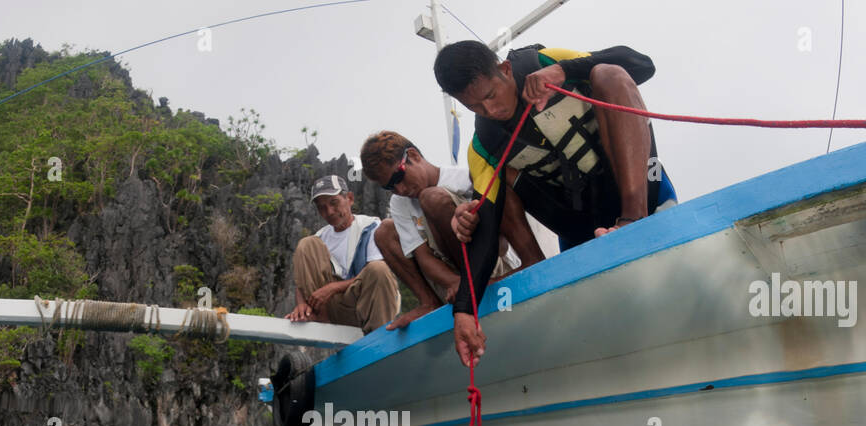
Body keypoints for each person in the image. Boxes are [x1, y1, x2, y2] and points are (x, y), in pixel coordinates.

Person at [433, 40, 678, 366]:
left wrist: (565, 70)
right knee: (490, 180)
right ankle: (535, 265)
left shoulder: (543, 61)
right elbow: (488, 233)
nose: (490, 111)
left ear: (505, 70)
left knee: (607, 73)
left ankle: (633, 222)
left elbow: (642, 64)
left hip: (636, 194)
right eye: (475, 107)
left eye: (490, 95)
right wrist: (465, 309)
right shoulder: (483, 145)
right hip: (578, 223)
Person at [359, 131, 536, 329]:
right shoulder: (400, 202)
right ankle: (429, 302)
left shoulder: (466, 179)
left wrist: (472, 222)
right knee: (384, 232)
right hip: (450, 280)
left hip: (490, 264)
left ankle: (518, 266)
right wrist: (456, 283)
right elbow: (423, 256)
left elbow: (501, 247)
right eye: (390, 186)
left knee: (432, 197)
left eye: (399, 177)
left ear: (414, 156)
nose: (400, 189)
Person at [285, 175, 399, 333]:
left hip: (368, 304)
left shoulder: (370, 226)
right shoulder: (319, 239)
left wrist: (333, 287)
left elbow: (379, 273)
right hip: (333, 310)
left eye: (334, 203)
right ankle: (320, 320)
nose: (329, 211)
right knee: (306, 244)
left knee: (378, 269)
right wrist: (301, 303)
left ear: (349, 199)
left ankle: (379, 336)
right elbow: (302, 279)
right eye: (322, 207)